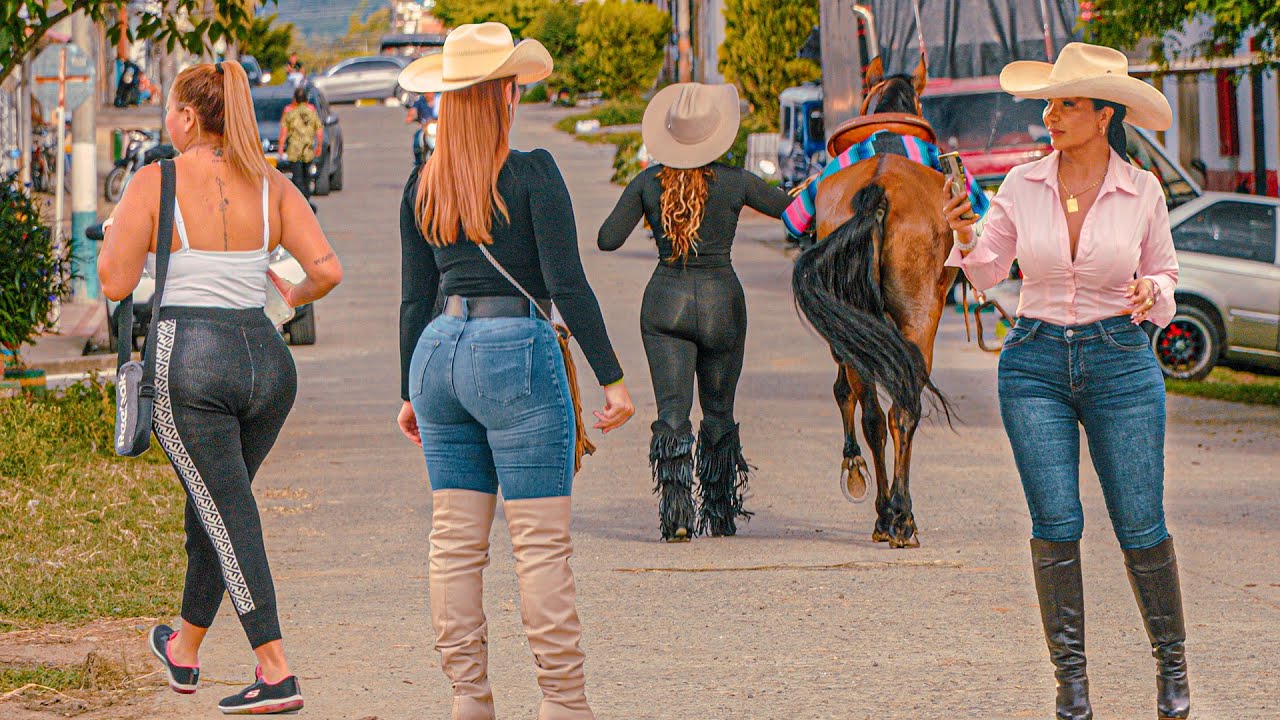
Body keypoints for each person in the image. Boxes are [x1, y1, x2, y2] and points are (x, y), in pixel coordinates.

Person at [394, 23, 634, 720]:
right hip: (516, 354)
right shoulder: (533, 173)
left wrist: (407, 392)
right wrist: (612, 378)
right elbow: (567, 283)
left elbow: (414, 298)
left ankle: (469, 700)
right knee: (539, 547)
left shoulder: (423, 184)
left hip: (439, 355)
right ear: (504, 94)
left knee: (454, 545)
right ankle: (564, 705)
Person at [943, 43, 1187, 720]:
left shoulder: (1142, 191)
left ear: (1105, 115)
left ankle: (1171, 668)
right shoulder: (1022, 184)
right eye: (1049, 103)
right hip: (1034, 363)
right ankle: (1071, 687)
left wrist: (1152, 292)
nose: (1050, 115)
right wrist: (964, 232)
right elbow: (988, 271)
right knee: (1056, 523)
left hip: (1122, 364)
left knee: (1140, 523)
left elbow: (1166, 275)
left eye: (1066, 103)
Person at [97, 60, 342, 715]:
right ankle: (184, 648)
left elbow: (116, 283)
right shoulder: (270, 183)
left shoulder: (156, 181)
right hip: (267, 361)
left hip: (191, 358)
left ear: (185, 116)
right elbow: (327, 270)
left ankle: (275, 670)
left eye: (169, 109)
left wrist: (115, 238)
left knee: (227, 511)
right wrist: (289, 297)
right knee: (217, 503)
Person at [597, 83, 793, 542]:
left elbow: (607, 239)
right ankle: (720, 514)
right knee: (719, 411)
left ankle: (678, 516)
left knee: (673, 414)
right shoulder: (737, 182)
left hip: (666, 305)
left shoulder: (648, 182)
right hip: (723, 304)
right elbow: (797, 217)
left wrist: (646, 201)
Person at [278, 86, 323, 199]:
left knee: (297, 177)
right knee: (307, 176)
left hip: (294, 150)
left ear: (295, 99)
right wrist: (319, 145)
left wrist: (281, 148)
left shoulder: (289, 112)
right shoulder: (312, 111)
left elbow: (283, 131)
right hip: (308, 149)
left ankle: (301, 199)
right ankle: (306, 198)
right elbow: (319, 130)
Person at [404, 91, 436, 165]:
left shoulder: (440, 100)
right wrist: (410, 117)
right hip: (426, 128)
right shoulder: (420, 101)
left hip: (439, 128)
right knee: (417, 140)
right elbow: (413, 111)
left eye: (431, 92)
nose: (429, 94)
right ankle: (418, 163)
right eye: (426, 92)